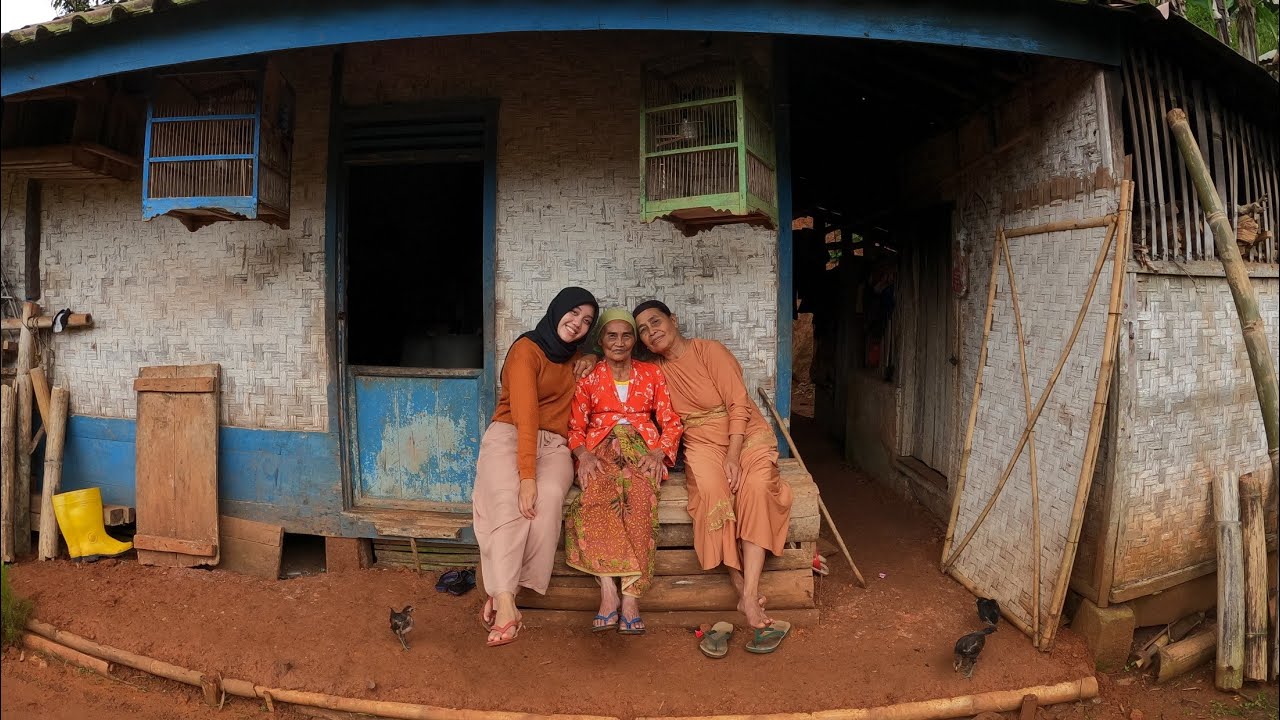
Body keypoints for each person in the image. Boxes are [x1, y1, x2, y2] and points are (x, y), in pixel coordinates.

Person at [632, 300, 793, 652]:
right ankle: (742, 590)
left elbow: (738, 403)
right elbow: (614, 362)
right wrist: (586, 359)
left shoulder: (710, 351)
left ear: (673, 320)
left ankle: (750, 594)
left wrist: (733, 455)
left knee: (755, 486)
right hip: (701, 441)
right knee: (711, 493)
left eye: (655, 322)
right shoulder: (653, 371)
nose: (651, 332)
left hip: (744, 434)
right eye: (643, 330)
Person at [473, 287, 598, 647]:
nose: (577, 323)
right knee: (510, 501)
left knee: (550, 498)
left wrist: (592, 357)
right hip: (510, 435)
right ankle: (506, 604)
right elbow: (526, 418)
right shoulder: (526, 351)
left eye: (586, 321)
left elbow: (614, 355)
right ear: (557, 309)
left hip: (555, 445)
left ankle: (505, 591)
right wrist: (527, 477)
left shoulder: (576, 358)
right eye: (573, 313)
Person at [564, 308, 684, 635]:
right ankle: (608, 593)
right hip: (598, 450)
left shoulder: (651, 373)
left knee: (641, 501)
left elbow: (671, 422)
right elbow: (575, 427)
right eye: (612, 336)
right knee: (594, 499)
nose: (619, 342)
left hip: (642, 449)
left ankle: (631, 598)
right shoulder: (589, 376)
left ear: (634, 340)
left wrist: (659, 452)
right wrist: (583, 455)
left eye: (626, 335)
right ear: (601, 340)